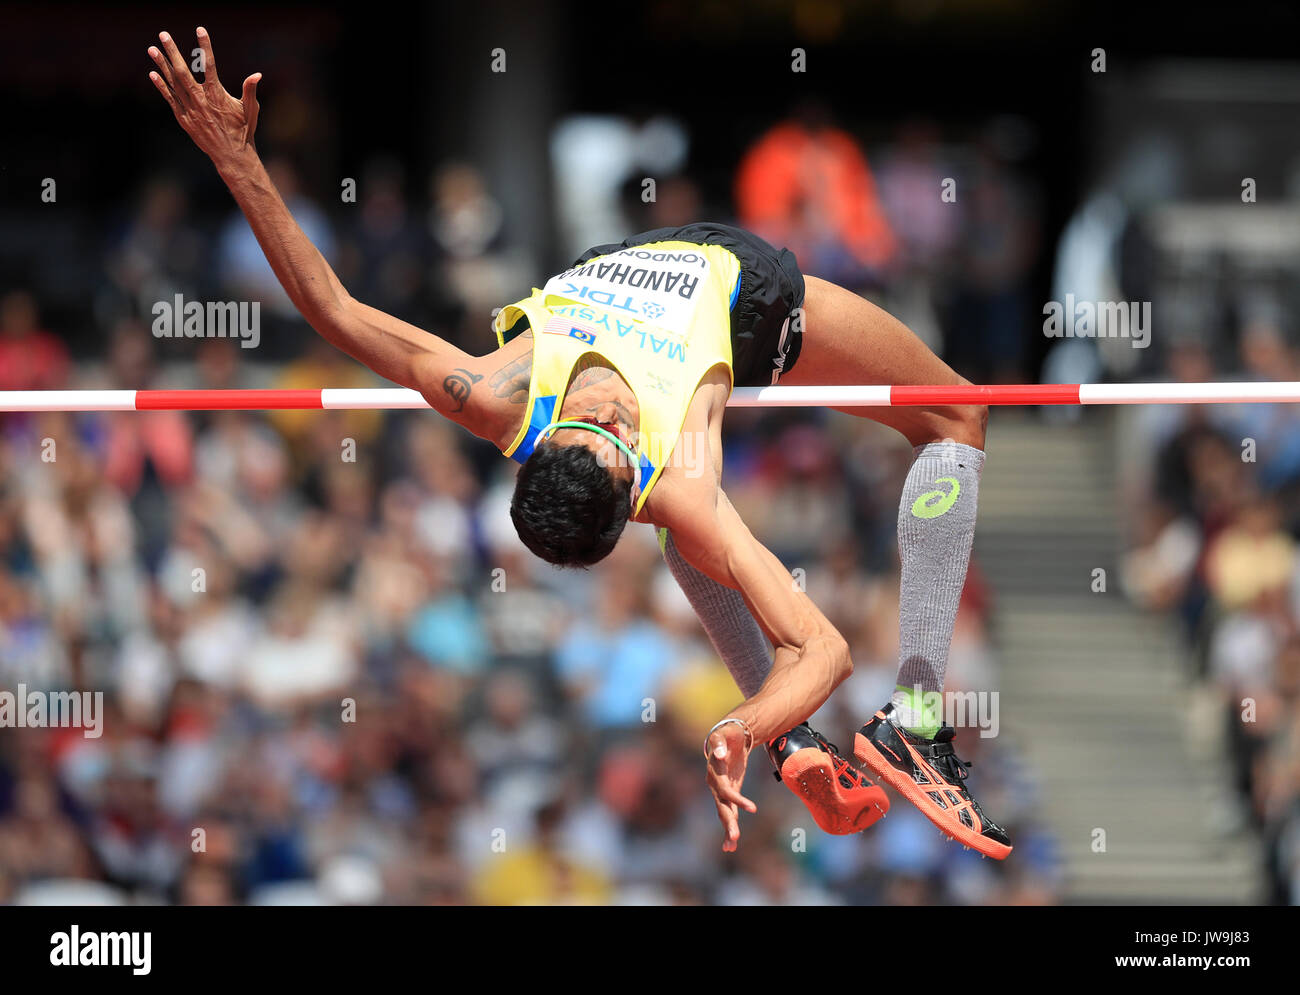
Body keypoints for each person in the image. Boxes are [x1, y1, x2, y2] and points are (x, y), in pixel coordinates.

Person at [147, 27, 1009, 859]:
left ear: (546, 440)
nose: (619, 415)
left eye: (600, 425)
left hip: (626, 253)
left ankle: (792, 744)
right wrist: (737, 726)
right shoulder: (675, 479)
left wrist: (236, 160)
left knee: (689, 541)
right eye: (630, 446)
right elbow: (823, 648)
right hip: (740, 297)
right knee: (953, 414)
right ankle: (917, 723)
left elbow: (334, 310)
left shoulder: (494, 394)